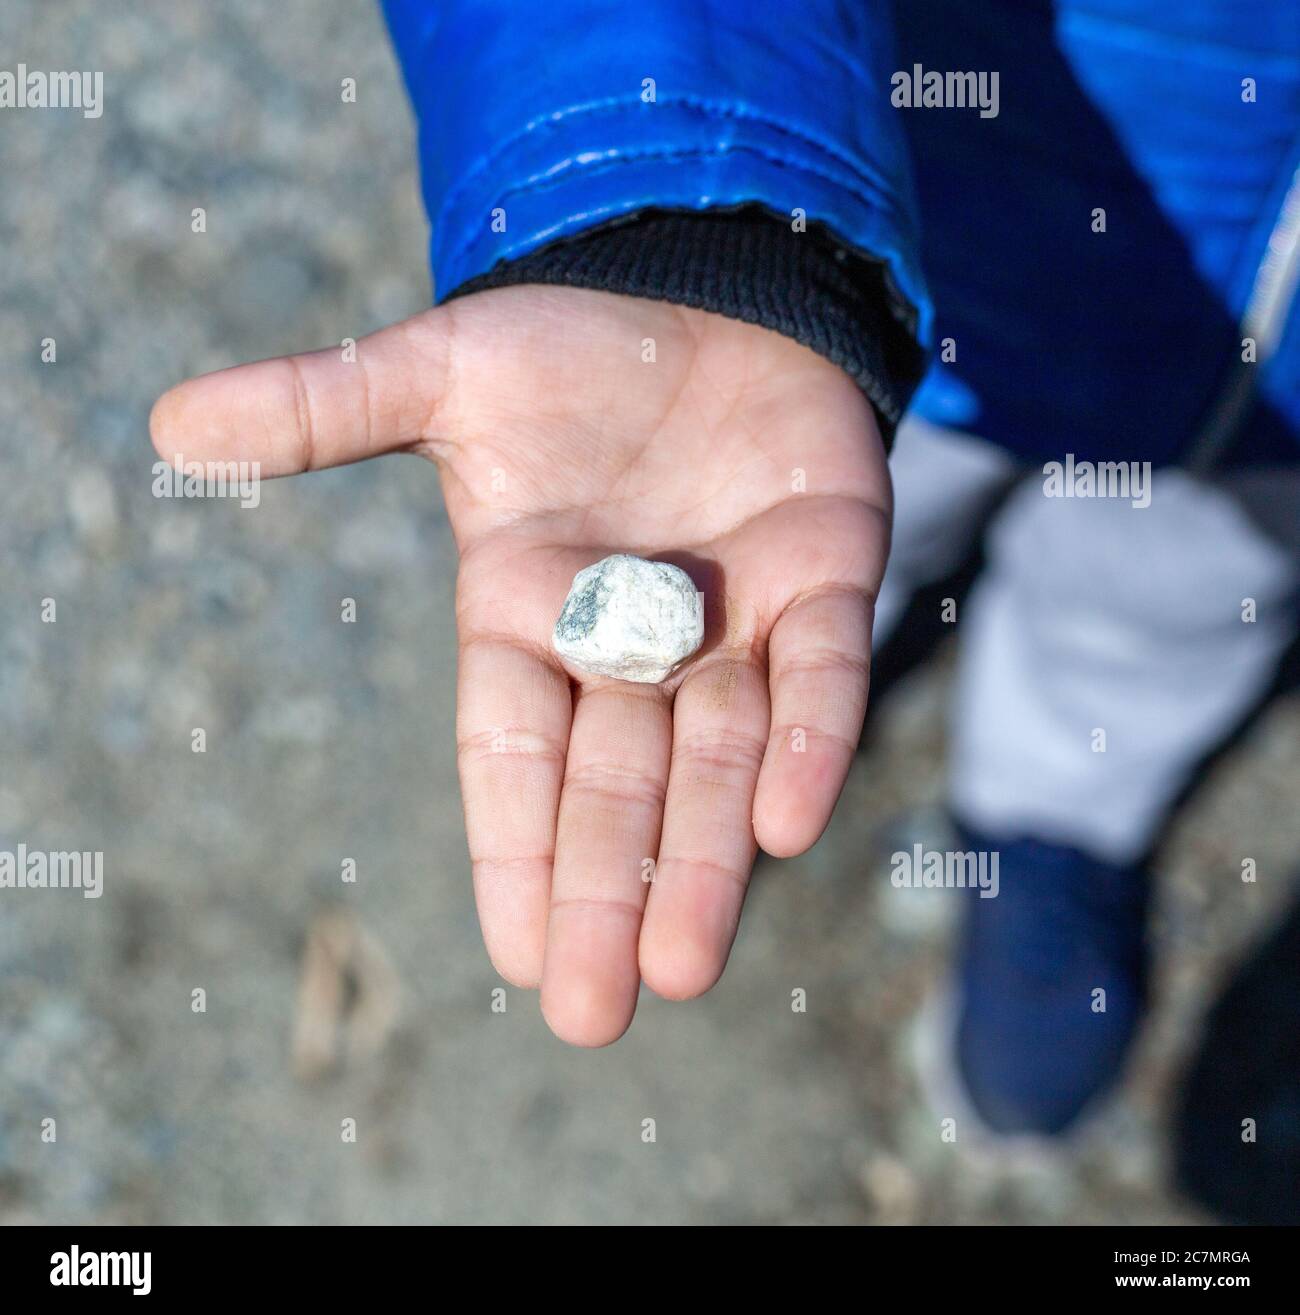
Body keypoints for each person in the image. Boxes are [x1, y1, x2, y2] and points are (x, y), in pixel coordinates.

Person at [150, 1, 1300, 1140]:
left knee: (1168, 606)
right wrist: (681, 220)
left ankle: (1059, 809)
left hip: (1273, 429)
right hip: (900, 253)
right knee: (837, 527)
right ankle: (798, 689)